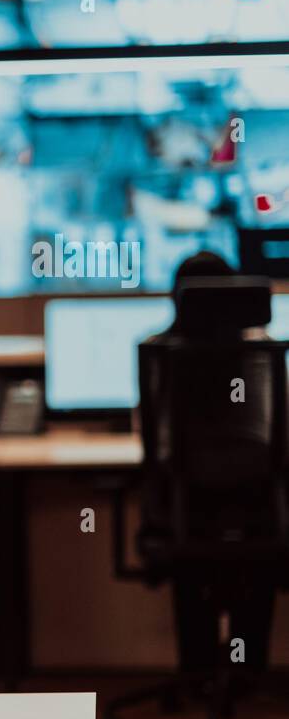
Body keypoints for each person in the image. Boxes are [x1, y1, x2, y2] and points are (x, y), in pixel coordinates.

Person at [139, 251, 276, 678]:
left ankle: (196, 673)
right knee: (262, 550)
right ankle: (249, 671)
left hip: (183, 513)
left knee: (189, 553)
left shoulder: (160, 353)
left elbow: (151, 441)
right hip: (259, 512)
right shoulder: (261, 354)